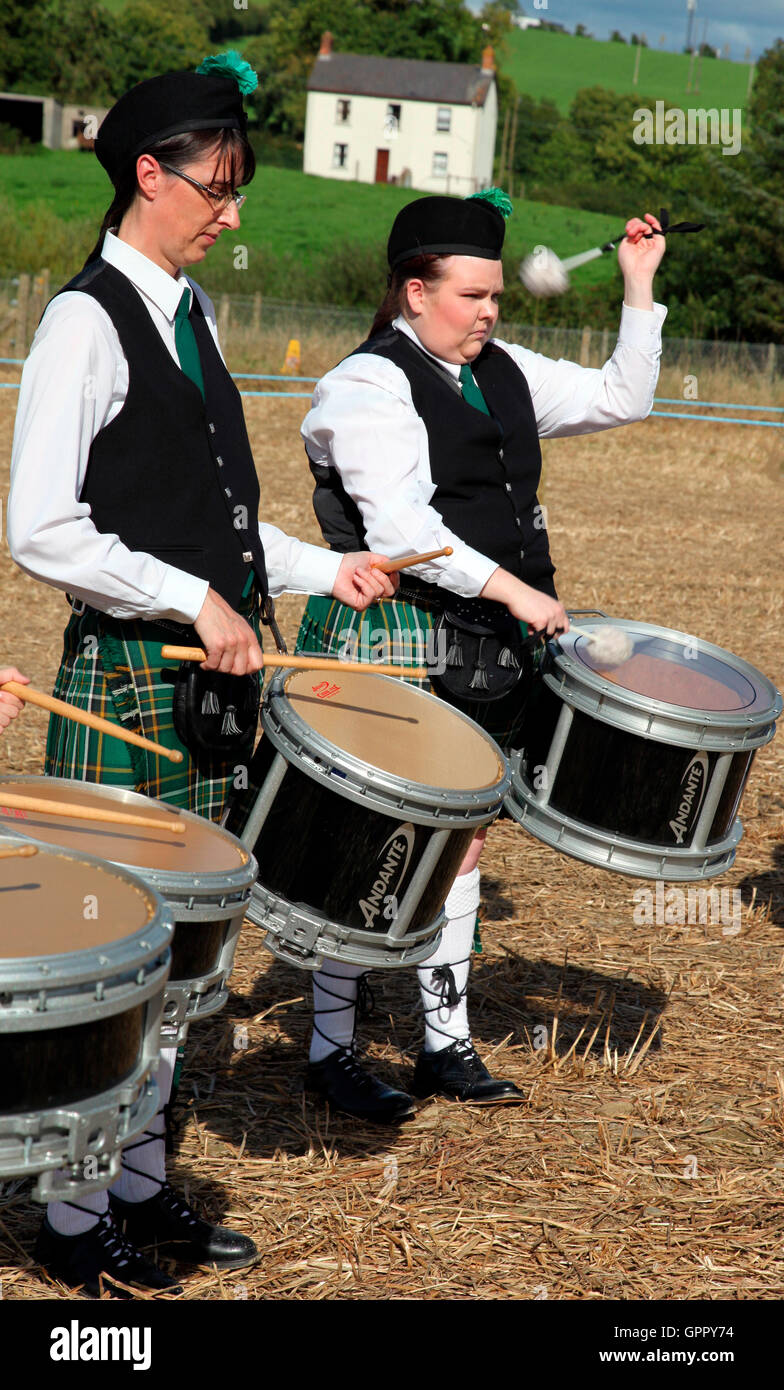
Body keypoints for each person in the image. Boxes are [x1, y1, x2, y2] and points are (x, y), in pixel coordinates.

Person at [7, 53, 394, 1297]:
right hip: (127, 675)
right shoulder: (85, 321)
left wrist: (321, 567)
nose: (233, 213)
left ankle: (132, 1181)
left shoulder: (193, 314)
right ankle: (67, 1223)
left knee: (178, 968)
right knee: (108, 958)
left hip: (203, 685)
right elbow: (39, 528)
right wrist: (194, 600)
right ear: (148, 174)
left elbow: (214, 528)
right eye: (216, 189)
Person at [296, 189, 667, 1122]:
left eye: (497, 296)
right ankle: (330, 1050)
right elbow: (402, 527)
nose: (490, 312)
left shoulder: (502, 369)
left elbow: (624, 398)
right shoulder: (366, 384)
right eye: (471, 296)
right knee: (377, 838)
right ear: (415, 292)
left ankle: (444, 1046)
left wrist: (638, 288)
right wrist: (513, 588)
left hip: (487, 644)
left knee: (463, 840)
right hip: (394, 635)